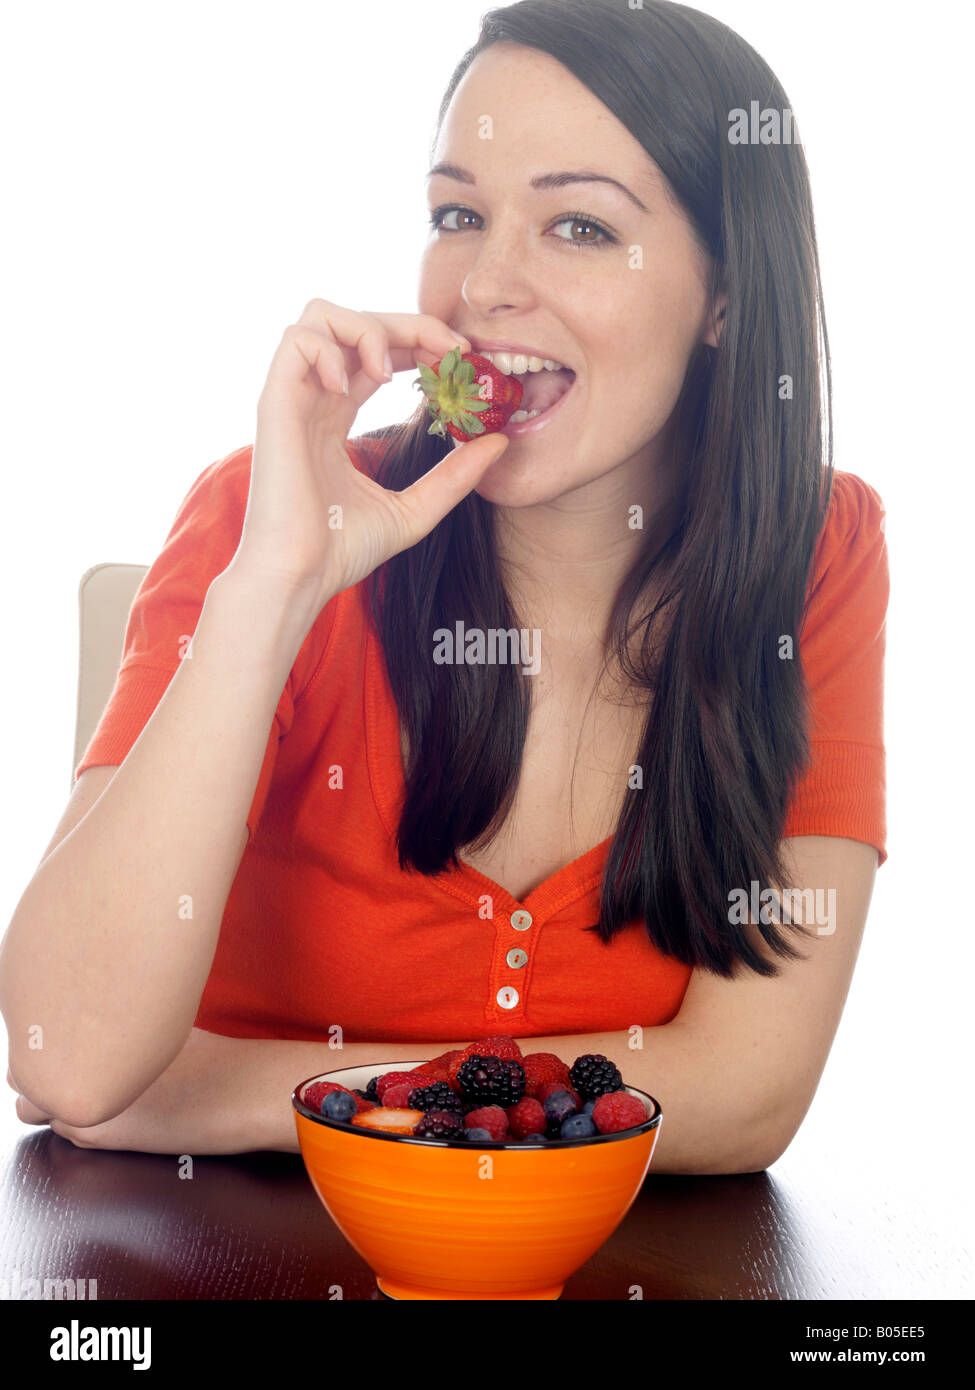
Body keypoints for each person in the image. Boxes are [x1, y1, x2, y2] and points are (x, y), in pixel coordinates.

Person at [0, 0, 888, 1174]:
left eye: (577, 224)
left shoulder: (814, 547)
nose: (484, 285)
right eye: (458, 214)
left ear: (725, 295)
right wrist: (274, 587)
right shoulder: (261, 517)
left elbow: (748, 1092)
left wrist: (230, 1093)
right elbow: (66, 1057)